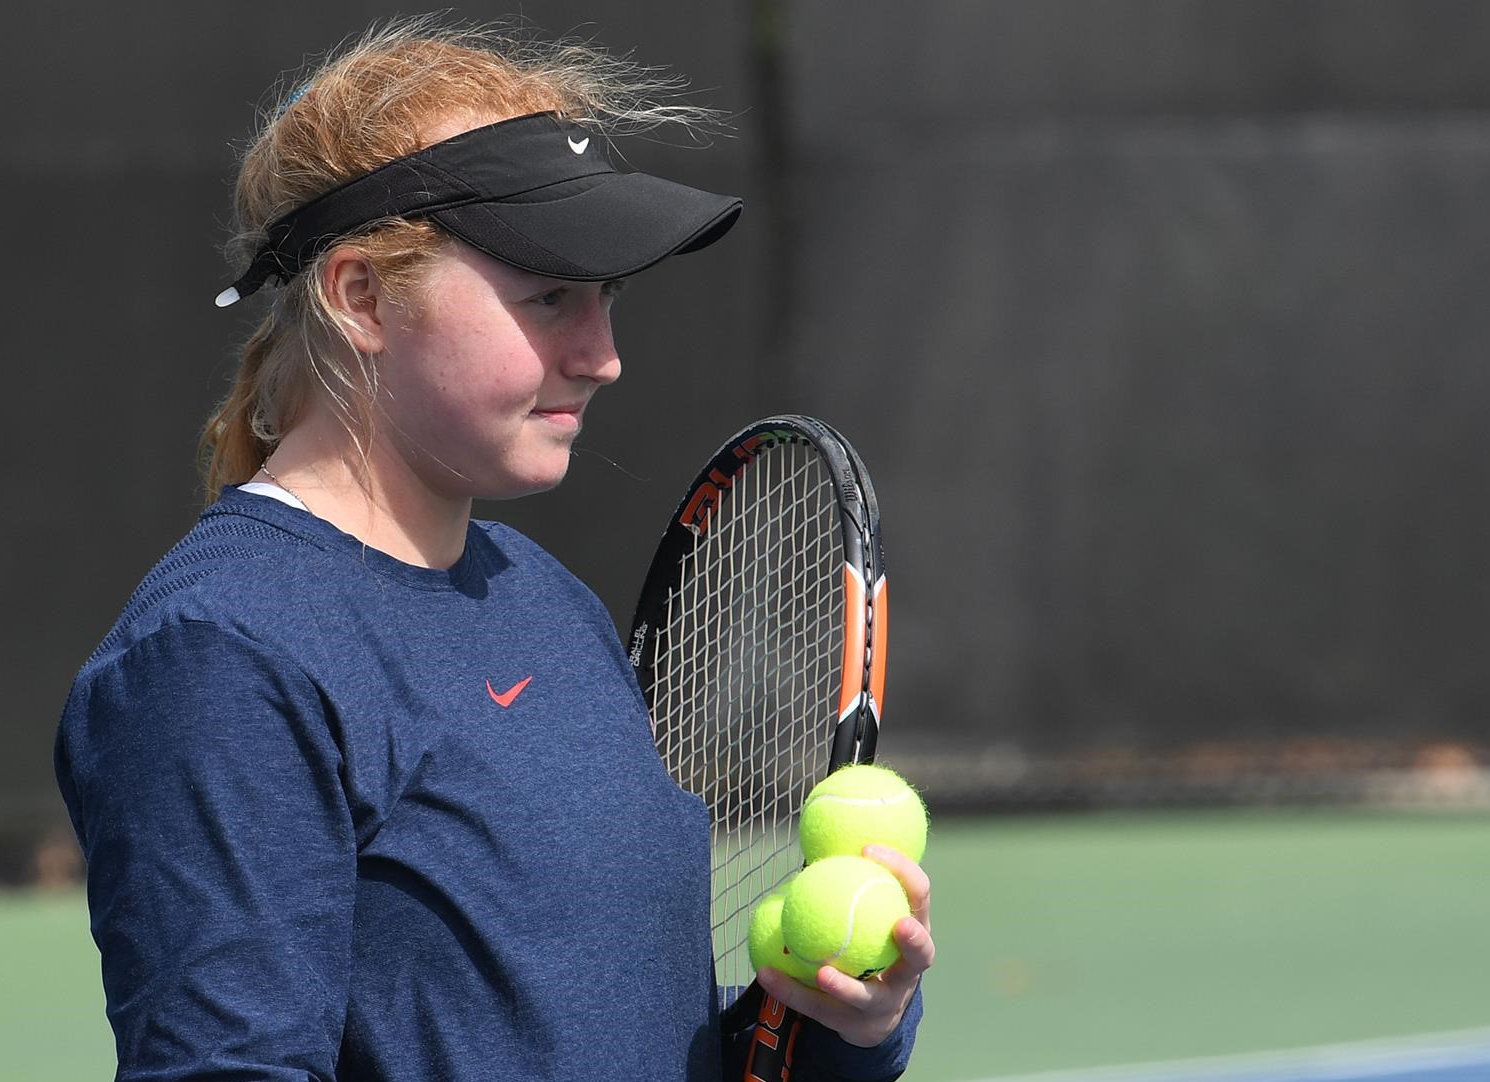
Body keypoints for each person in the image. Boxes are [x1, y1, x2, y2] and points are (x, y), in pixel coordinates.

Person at [53, 15, 929, 1081]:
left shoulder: (543, 600)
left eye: (607, 298)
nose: (601, 354)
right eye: (548, 295)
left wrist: (840, 1027)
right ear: (360, 296)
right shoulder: (220, 653)